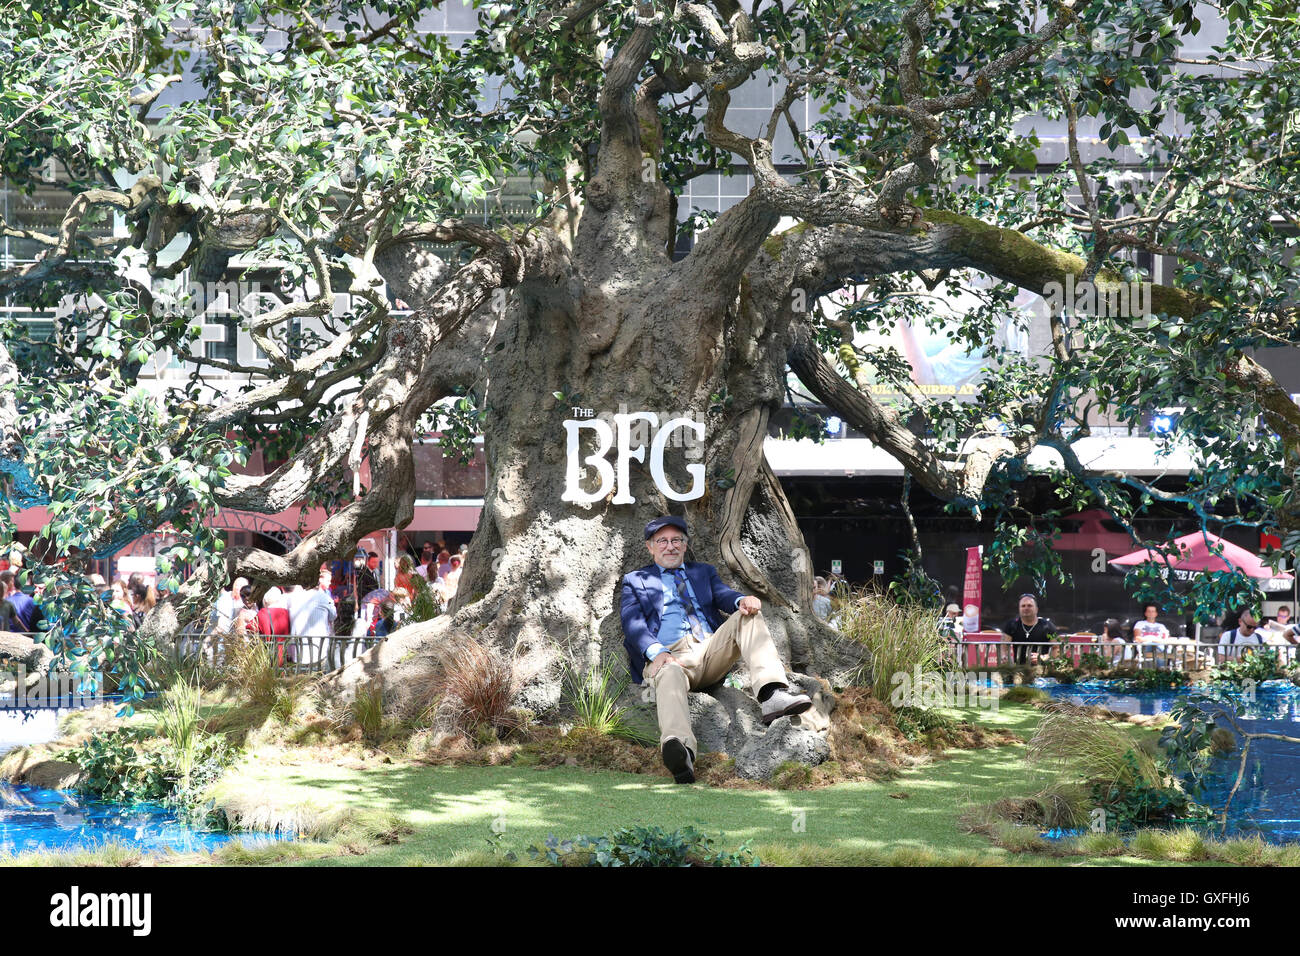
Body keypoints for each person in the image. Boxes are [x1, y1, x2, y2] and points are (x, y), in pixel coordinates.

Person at [621, 515, 812, 784]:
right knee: (669, 672)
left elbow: (723, 595)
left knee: (748, 614)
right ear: (650, 547)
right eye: (662, 541)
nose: (670, 546)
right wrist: (656, 651)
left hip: (708, 649)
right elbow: (633, 624)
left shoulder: (702, 572)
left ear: (685, 545)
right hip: (668, 655)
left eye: (676, 540)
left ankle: (772, 694)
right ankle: (681, 752)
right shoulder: (635, 579)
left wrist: (740, 600)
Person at [289, 568, 338, 667]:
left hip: (297, 650)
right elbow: (333, 616)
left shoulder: (294, 597)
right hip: (318, 650)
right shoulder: (325, 598)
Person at [999, 593, 1057, 665]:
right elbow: (1003, 647)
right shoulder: (1012, 625)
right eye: (1023, 606)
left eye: (1030, 606)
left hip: (1043, 671)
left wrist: (1043, 658)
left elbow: (1057, 649)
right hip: (1019, 671)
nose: (1026, 608)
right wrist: (1005, 658)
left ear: (1036, 609)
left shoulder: (1047, 626)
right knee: (985, 674)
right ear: (1019, 609)